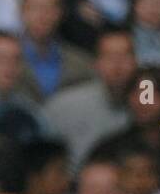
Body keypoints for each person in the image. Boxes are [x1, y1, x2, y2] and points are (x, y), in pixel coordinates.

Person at [40, 24, 136, 167]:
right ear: (96, 63)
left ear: (136, 61)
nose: (117, 64)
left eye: (125, 56)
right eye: (109, 56)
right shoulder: (63, 106)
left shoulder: (149, 103)